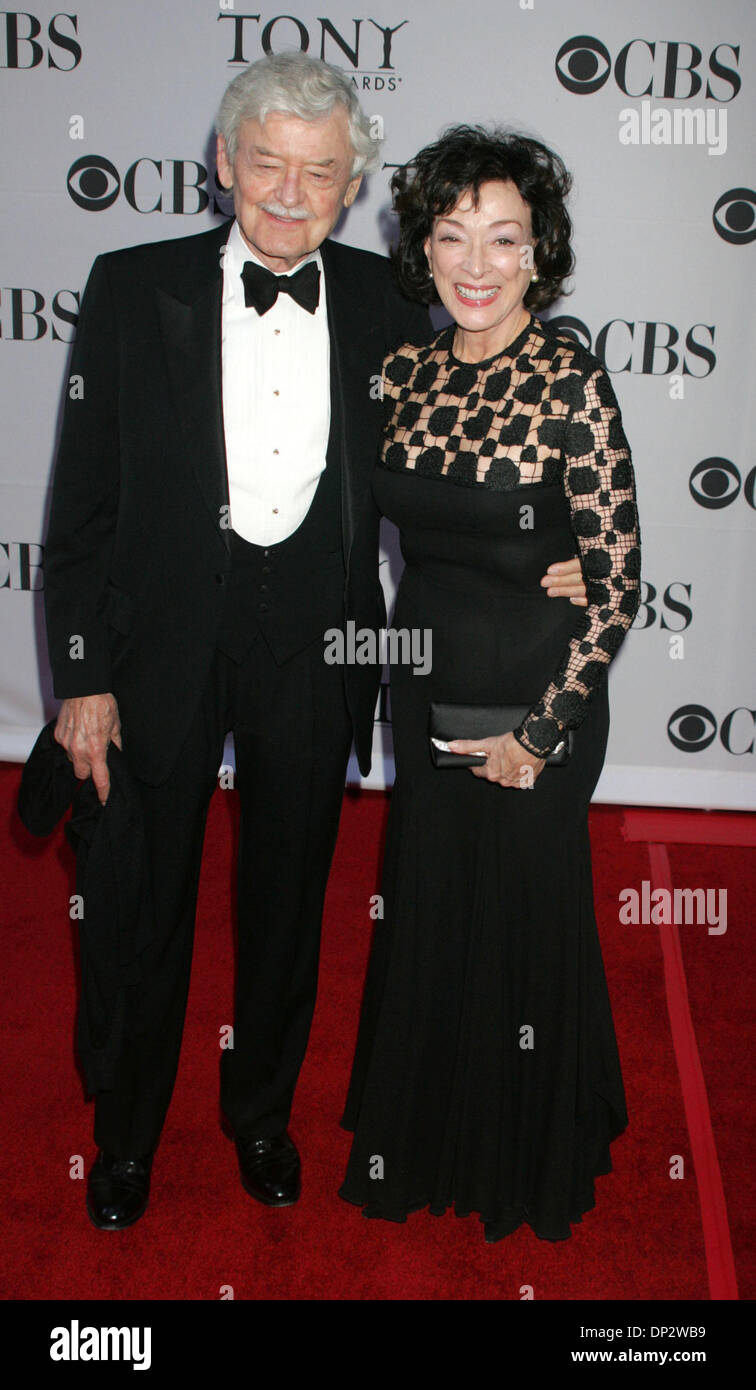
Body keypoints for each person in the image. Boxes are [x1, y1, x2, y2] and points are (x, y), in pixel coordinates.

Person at [43, 58, 587, 1231]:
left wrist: (575, 541)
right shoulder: (132, 289)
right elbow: (79, 503)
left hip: (323, 641)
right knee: (143, 899)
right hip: (160, 645)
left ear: (351, 189)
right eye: (270, 164)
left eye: (321, 172)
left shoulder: (392, 299)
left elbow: (501, 404)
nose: (291, 193)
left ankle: (261, 1117)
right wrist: (79, 674)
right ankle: (128, 1133)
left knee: (288, 899)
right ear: (224, 162)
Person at [339, 126, 641, 1243]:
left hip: (534, 698)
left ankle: (524, 1147)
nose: (476, 262)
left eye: (502, 237)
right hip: (424, 687)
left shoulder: (568, 374)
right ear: (423, 244)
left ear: (536, 251)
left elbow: (613, 585)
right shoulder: (403, 371)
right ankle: (422, 1132)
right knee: (429, 913)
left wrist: (541, 736)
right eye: (452, 233)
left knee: (522, 920)